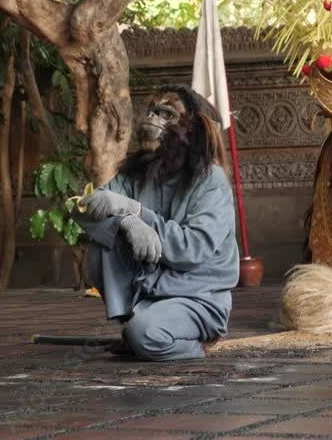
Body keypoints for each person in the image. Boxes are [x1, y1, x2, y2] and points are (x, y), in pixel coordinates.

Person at [76, 86, 239, 361]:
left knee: (145, 335)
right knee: (103, 239)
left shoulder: (210, 181)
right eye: (152, 111)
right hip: (151, 292)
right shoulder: (137, 175)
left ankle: (196, 344)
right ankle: (141, 323)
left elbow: (191, 249)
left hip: (198, 296)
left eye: (166, 113)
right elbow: (89, 204)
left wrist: (140, 213)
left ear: (191, 127)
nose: (152, 118)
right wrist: (128, 220)